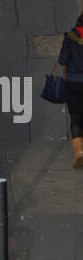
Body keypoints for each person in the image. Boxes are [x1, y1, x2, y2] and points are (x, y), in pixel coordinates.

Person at [58, 15, 83, 168]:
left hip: (74, 82)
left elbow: (62, 60)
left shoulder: (70, 37)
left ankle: (79, 151)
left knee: (76, 117)